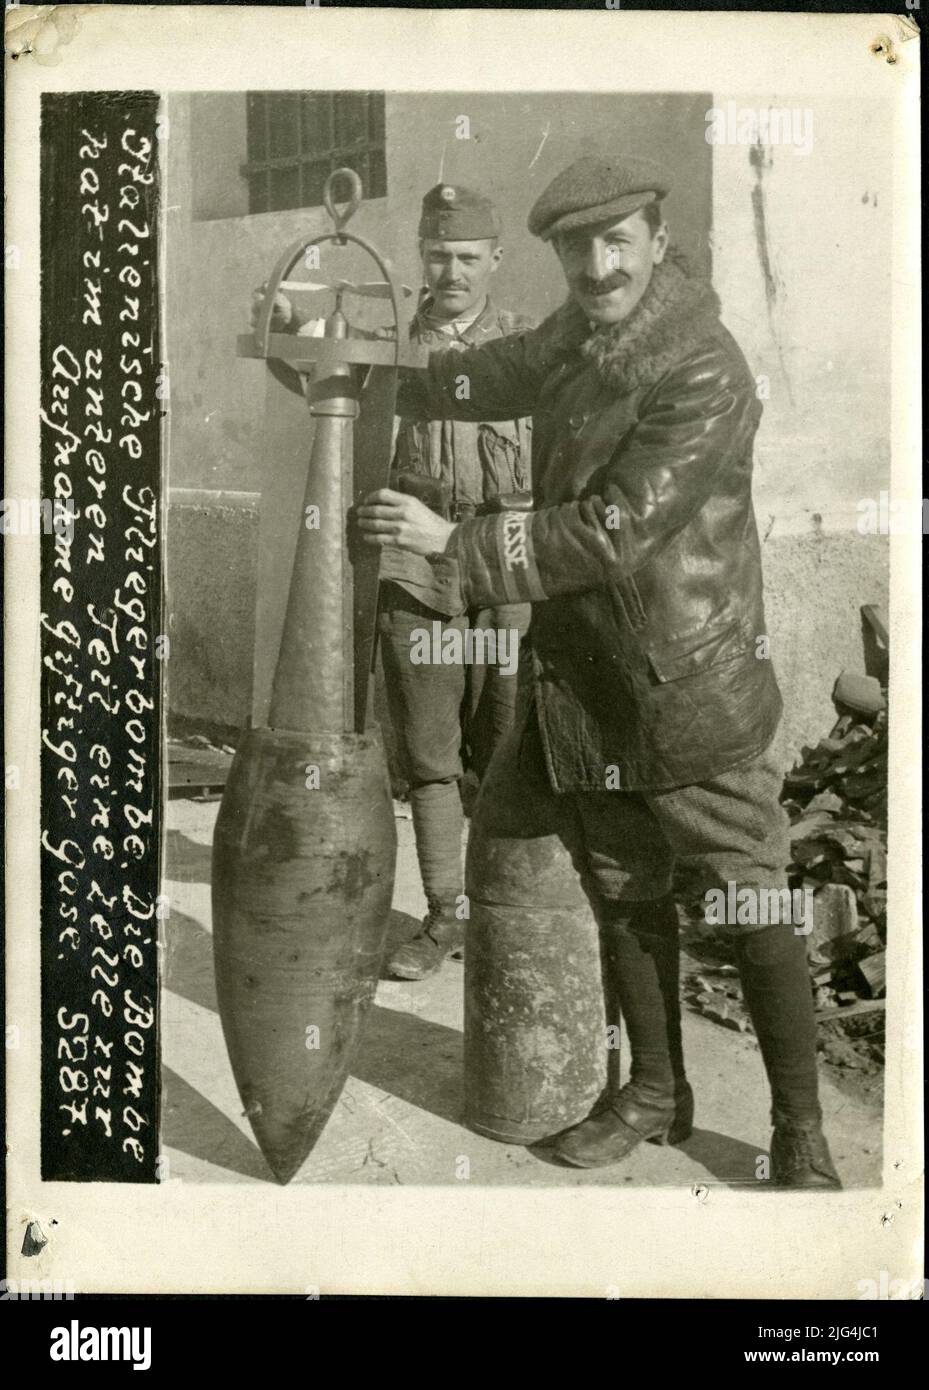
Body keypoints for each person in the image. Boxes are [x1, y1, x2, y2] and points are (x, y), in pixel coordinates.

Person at [357, 153, 842, 1187]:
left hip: (686, 683)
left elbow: (615, 528)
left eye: (615, 241)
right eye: (578, 246)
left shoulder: (702, 368)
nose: (597, 264)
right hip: (587, 684)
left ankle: (799, 1130)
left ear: (656, 242)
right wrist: (367, 373)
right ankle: (655, 1092)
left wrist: (457, 540)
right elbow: (486, 375)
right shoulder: (572, 339)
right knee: (620, 884)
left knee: (746, 898)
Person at [253, 184, 534, 982]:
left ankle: (506, 913)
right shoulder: (388, 348)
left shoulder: (526, 348)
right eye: (438, 255)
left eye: (468, 258)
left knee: (512, 750)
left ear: (495, 260)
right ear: (419, 257)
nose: (451, 271)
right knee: (430, 757)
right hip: (415, 569)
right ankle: (447, 915)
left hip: (510, 567)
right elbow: (308, 363)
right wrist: (283, 323)